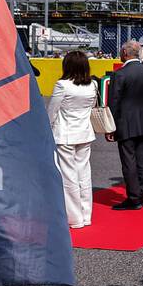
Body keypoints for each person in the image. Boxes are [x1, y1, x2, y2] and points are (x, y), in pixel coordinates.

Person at [47, 50, 97, 228]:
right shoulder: (92, 85)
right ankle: (86, 215)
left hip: (65, 134)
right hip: (85, 133)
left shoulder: (62, 85)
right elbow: (91, 107)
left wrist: (48, 128)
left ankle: (74, 218)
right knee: (84, 174)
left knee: (69, 177)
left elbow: (52, 111)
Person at [106, 39, 143, 210]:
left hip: (125, 122)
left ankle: (134, 197)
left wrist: (109, 126)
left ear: (125, 53)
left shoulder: (120, 74)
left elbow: (113, 102)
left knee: (129, 161)